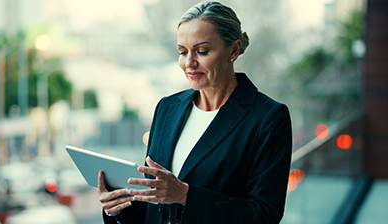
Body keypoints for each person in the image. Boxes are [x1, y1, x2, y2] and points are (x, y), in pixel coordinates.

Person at [98, 1, 292, 223]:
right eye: (182, 52)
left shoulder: (267, 118)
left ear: (234, 49)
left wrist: (185, 196)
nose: (189, 63)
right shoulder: (167, 108)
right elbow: (152, 208)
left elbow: (265, 215)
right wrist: (118, 207)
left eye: (202, 51)